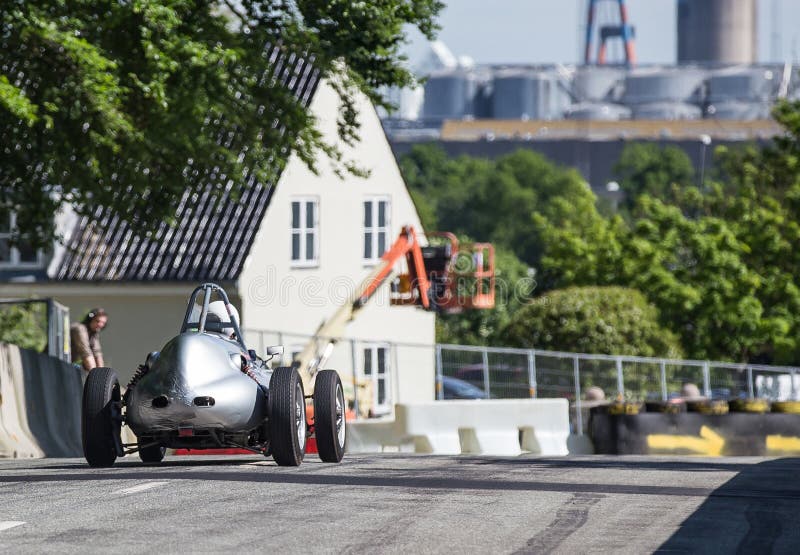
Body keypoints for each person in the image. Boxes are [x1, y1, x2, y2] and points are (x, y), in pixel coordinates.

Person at [70, 308, 108, 372]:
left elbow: (97, 353)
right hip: (52, 362)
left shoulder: (93, 333)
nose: (100, 325)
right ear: (90, 319)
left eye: (103, 323)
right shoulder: (79, 329)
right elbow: (85, 352)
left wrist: (102, 376)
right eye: (97, 321)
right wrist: (95, 377)